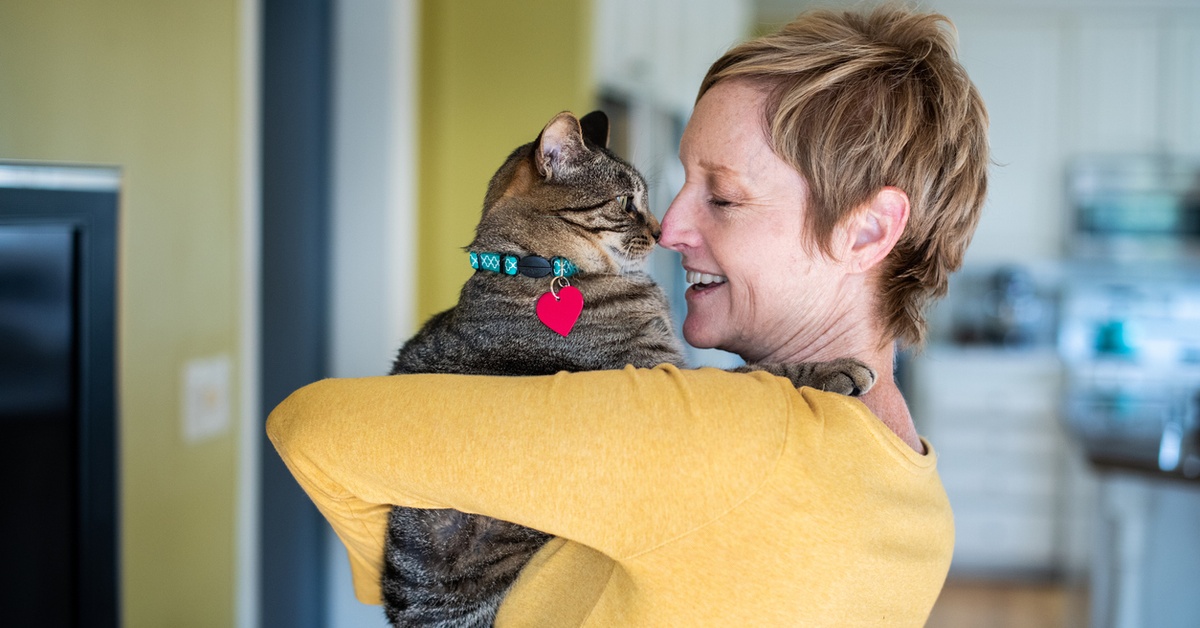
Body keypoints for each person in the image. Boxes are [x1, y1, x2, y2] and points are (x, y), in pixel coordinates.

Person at [267, 5, 988, 626]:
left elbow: (312, 429)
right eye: (680, 186)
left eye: (724, 198)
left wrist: (399, 583)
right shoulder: (925, 515)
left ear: (865, 230)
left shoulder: (705, 434)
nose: (669, 229)